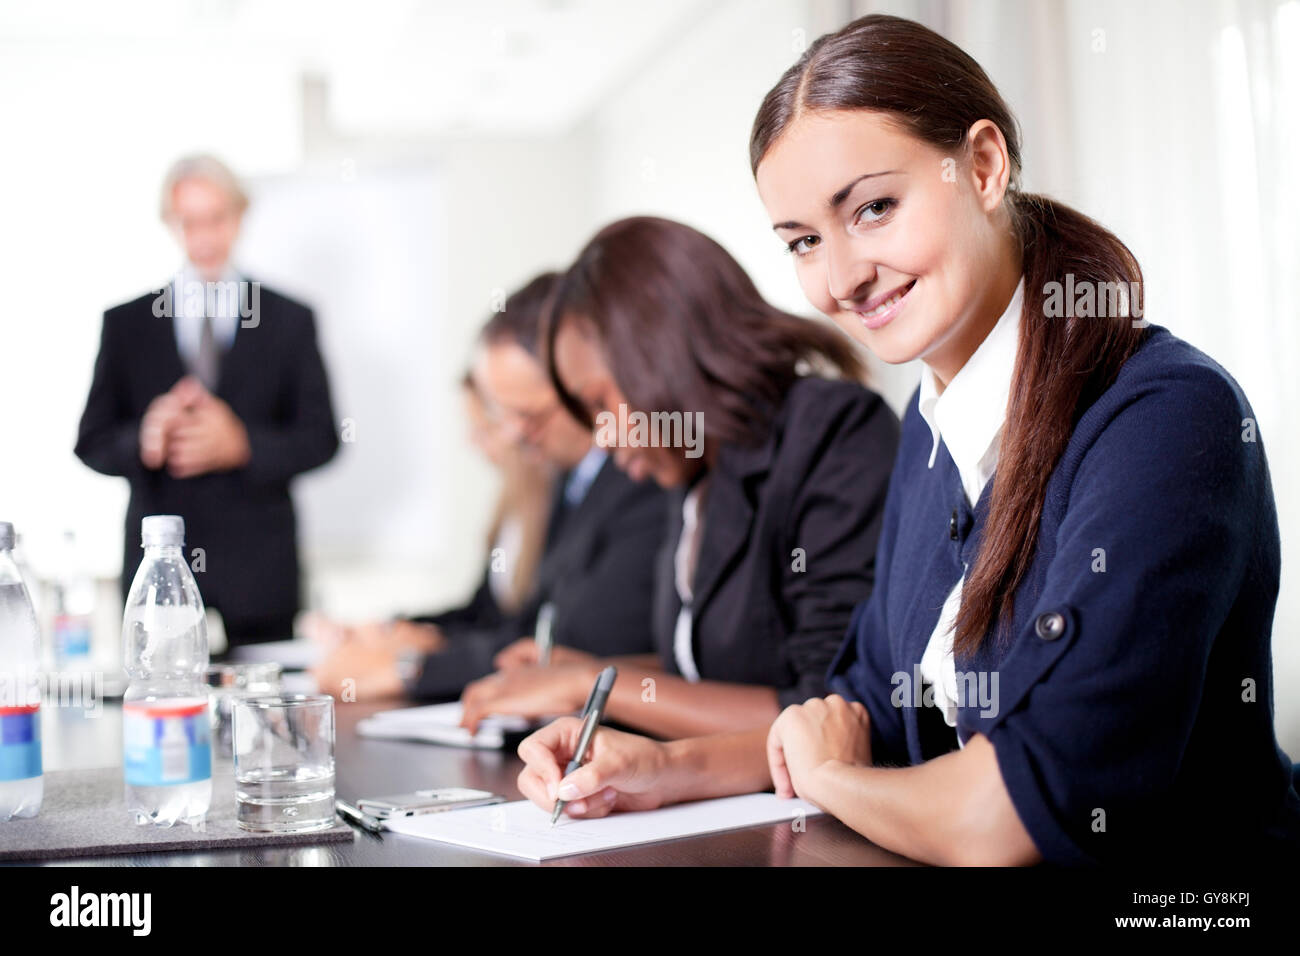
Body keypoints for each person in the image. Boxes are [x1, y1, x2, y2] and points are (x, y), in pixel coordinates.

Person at [513, 14, 1300, 866]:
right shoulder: (935, 427)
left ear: (985, 166)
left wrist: (833, 781)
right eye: (806, 242)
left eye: (875, 209)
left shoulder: (1165, 418)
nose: (842, 277)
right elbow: (864, 715)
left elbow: (1015, 809)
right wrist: (662, 771)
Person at [459, 216, 900, 739]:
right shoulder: (696, 470)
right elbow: (713, 674)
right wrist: (587, 672)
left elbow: (828, 707)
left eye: (600, 403)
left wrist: (593, 684)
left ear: (659, 356)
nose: (601, 436)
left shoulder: (831, 430)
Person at [310, 273, 667, 701]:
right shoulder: (569, 482)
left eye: (531, 415)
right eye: (504, 415)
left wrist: (413, 666)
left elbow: (577, 642)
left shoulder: (640, 479)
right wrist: (406, 636)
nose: (515, 435)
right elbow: (517, 625)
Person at [75, 154, 338, 652]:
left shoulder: (289, 320)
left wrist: (244, 445)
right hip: (159, 581)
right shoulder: (127, 324)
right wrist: (144, 440)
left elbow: (323, 438)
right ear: (170, 224)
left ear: (239, 216)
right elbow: (91, 441)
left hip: (260, 577)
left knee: (262, 716)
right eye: (189, 221)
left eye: (216, 218)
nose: (204, 236)